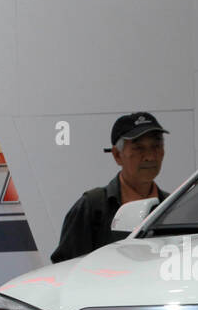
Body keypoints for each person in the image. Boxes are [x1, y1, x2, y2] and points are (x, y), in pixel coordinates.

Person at [50, 112, 170, 262]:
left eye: (156, 146)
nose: (150, 156)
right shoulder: (93, 207)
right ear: (117, 155)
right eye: (139, 148)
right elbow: (65, 267)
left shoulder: (171, 207)